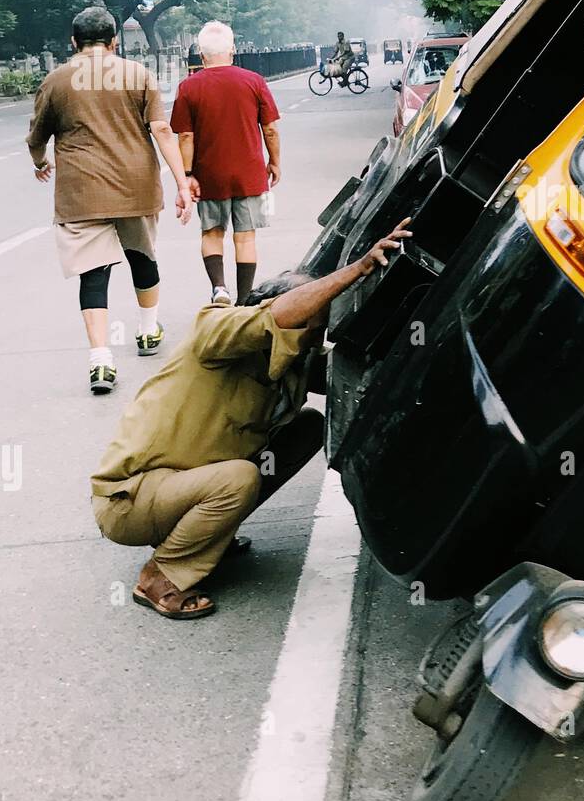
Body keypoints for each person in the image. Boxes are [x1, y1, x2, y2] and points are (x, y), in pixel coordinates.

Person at [90, 221, 412, 619]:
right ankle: (162, 576)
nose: (317, 333)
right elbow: (278, 315)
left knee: (307, 427)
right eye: (313, 321)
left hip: (186, 488)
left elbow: (344, 374)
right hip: (131, 500)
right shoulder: (216, 329)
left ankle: (208, 534)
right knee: (239, 478)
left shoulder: (290, 359)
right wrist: (357, 268)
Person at [27, 5, 194, 394]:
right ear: (114, 40)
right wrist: (183, 184)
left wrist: (39, 162)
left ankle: (100, 360)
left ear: (74, 41)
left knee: (93, 273)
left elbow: (37, 136)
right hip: (135, 184)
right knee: (142, 256)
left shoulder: (56, 79)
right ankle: (148, 330)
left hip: (81, 191)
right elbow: (161, 129)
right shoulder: (137, 74)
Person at [171, 20, 281, 307]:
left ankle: (219, 289)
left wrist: (187, 175)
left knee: (212, 233)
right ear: (233, 49)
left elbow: (185, 135)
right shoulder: (254, 81)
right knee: (245, 238)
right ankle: (245, 298)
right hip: (249, 174)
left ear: (200, 52)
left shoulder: (188, 88)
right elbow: (269, 128)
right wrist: (275, 162)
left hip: (209, 176)